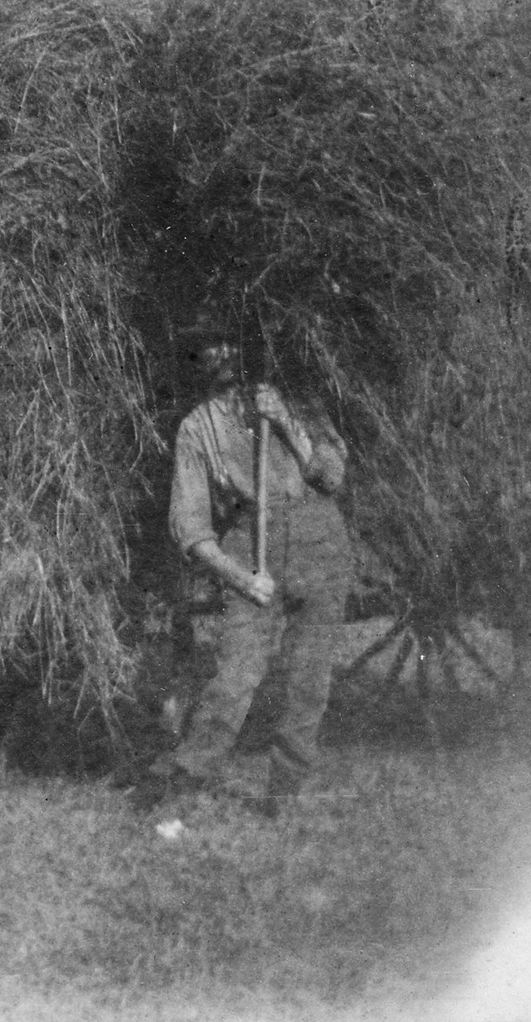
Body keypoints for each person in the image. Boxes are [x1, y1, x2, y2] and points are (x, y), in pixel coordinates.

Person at [133, 320, 353, 818]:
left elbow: (333, 479)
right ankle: (181, 788)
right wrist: (242, 578)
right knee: (236, 677)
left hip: (321, 542)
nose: (219, 354)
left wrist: (290, 426)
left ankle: (281, 800)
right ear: (196, 360)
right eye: (205, 347)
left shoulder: (294, 401)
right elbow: (189, 529)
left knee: (309, 683)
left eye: (227, 342)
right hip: (249, 546)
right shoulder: (196, 427)